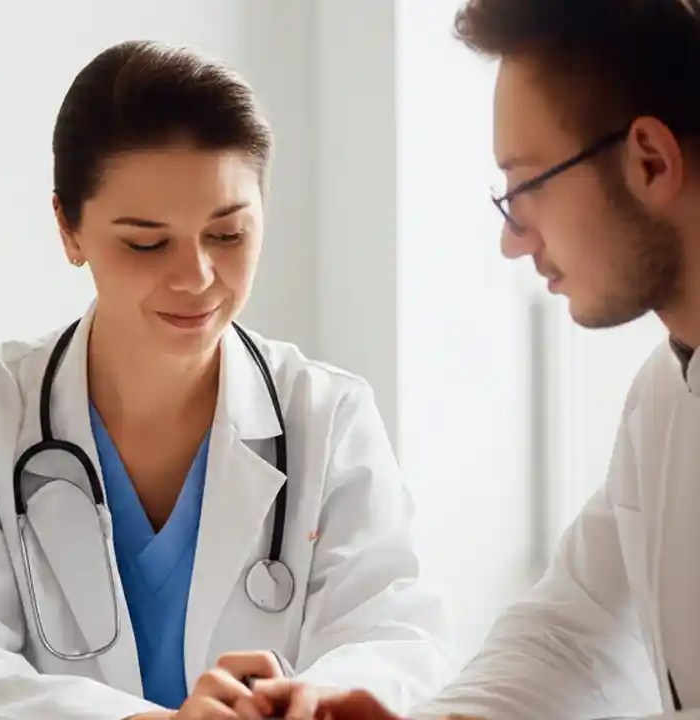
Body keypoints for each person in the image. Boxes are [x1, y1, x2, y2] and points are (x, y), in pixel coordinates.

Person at [0, 39, 456, 720]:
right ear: (68, 228)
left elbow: (396, 638)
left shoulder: (328, 415)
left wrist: (310, 700)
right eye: (146, 243)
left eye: (228, 234)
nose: (196, 277)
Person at [248, 0, 700, 718]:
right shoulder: (664, 397)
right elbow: (571, 642)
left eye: (526, 187)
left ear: (650, 159)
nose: (513, 240)